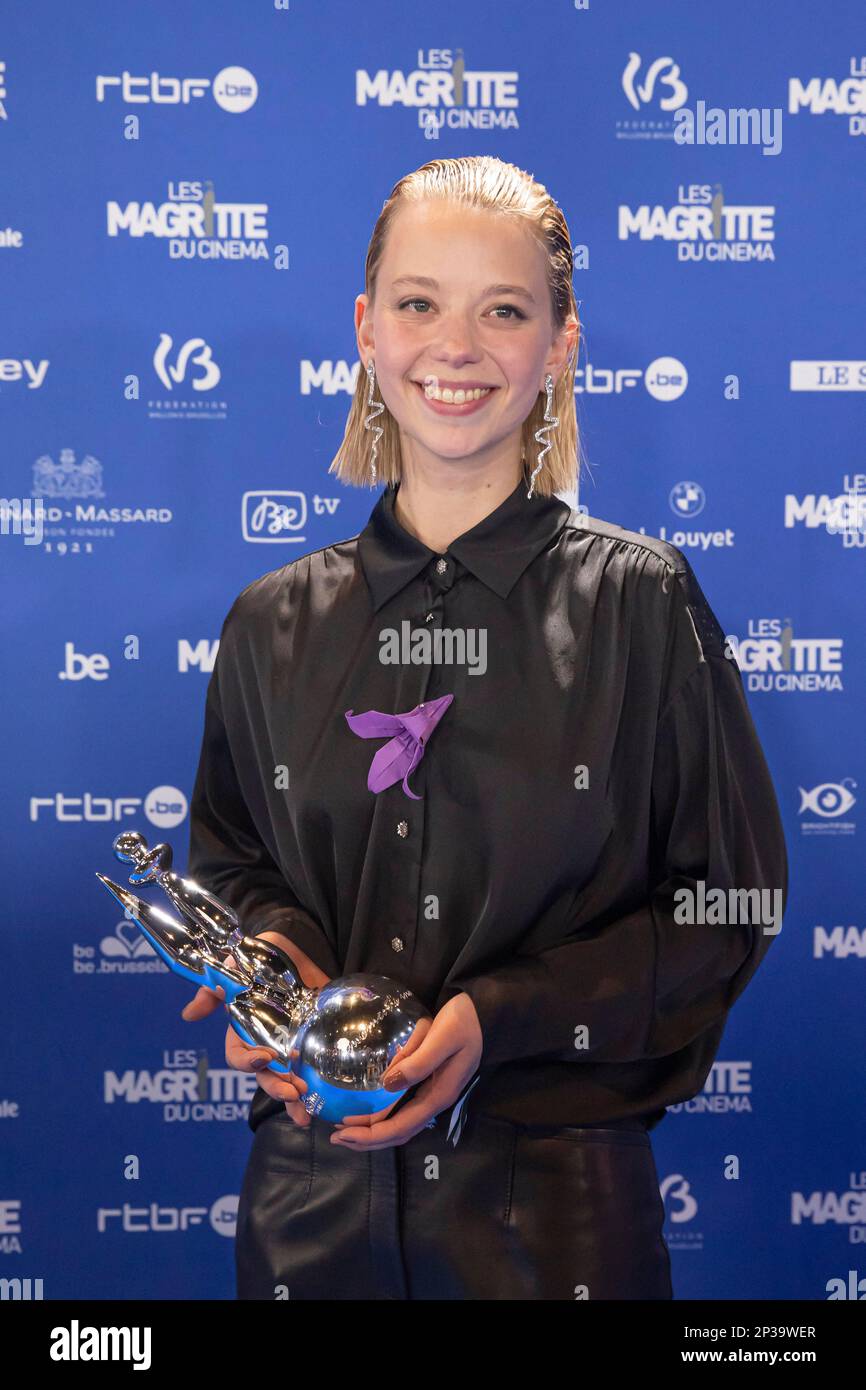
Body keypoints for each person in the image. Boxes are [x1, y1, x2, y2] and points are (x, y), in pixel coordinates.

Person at [182, 155, 788, 1300]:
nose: (453, 347)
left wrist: (495, 1019)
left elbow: (722, 907)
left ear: (558, 344)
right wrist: (270, 963)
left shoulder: (640, 604)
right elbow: (232, 864)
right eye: (418, 303)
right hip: (306, 1210)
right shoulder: (268, 623)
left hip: (548, 1226)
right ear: (367, 329)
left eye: (501, 310)